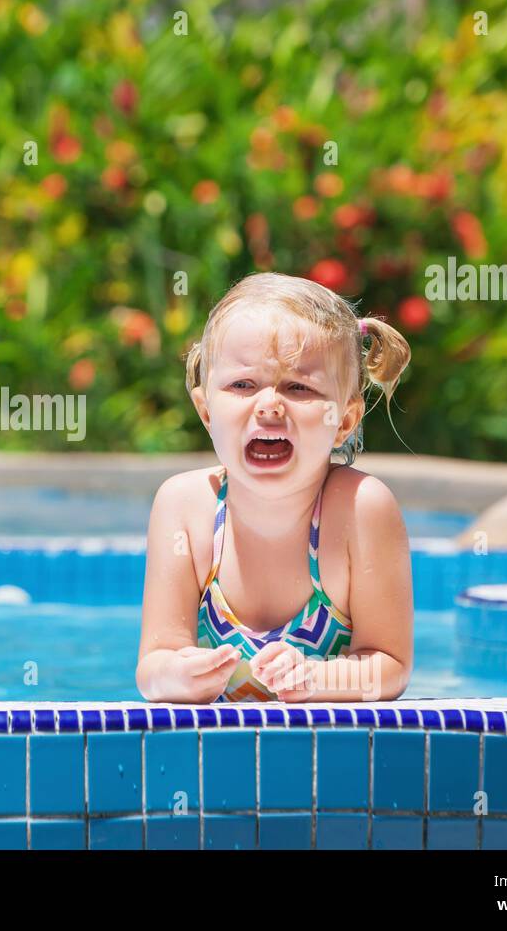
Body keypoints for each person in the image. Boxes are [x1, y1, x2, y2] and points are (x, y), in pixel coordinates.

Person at [136, 272, 414, 703]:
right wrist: (179, 674)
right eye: (242, 385)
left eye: (298, 387)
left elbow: (390, 666)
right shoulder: (185, 508)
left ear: (344, 420)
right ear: (206, 412)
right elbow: (154, 666)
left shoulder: (361, 510)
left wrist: (318, 678)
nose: (268, 405)